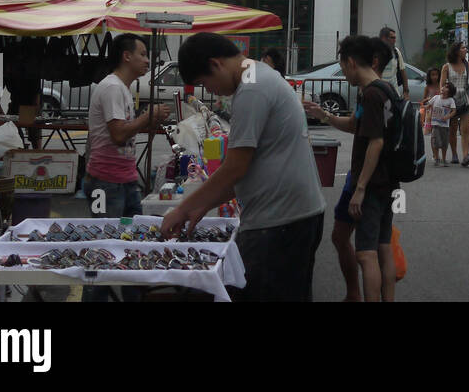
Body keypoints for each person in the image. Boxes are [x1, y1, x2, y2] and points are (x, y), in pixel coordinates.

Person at [165, 34, 325, 302]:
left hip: (279, 222)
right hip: (294, 216)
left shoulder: (251, 88)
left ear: (216, 64)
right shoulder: (259, 76)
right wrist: (199, 208)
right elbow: (238, 173)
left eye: (205, 83)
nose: (211, 91)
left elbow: (234, 168)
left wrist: (181, 209)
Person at [305, 38, 397, 300]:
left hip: (371, 183)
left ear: (352, 62)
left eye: (343, 67)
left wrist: (360, 188)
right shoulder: (385, 90)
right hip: (387, 180)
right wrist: (325, 115)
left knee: (366, 253)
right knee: (382, 247)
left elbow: (376, 142)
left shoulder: (371, 94)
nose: (343, 74)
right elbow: (358, 126)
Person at [83, 34, 168, 301]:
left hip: (125, 181)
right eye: (142, 54)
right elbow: (118, 134)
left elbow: (124, 134)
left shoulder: (123, 89)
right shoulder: (111, 88)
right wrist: (148, 117)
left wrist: (147, 123)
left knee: (133, 248)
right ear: (126, 56)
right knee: (104, 247)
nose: (147, 60)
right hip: (105, 183)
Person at [444, 42, 469, 166]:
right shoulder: (446, 67)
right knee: (452, 129)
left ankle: (466, 156)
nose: (466, 50)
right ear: (456, 51)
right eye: (463, 48)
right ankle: (454, 154)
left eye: (465, 48)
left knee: (465, 130)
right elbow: (442, 85)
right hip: (452, 102)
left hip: (466, 100)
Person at [426, 83, 457, 167]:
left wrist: (448, 116)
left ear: (450, 92)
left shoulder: (451, 100)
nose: (443, 88)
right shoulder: (436, 98)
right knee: (435, 142)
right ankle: (436, 158)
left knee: (444, 143)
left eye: (446, 87)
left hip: (445, 126)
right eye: (443, 86)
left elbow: (454, 111)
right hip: (435, 124)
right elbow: (428, 105)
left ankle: (443, 159)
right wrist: (426, 109)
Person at [378, 26, 409, 99]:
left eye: (395, 37)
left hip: (394, 94)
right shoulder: (374, 52)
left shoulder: (396, 52)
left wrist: (406, 92)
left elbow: (403, 72)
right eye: (392, 37)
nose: (395, 40)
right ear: (383, 38)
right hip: (378, 92)